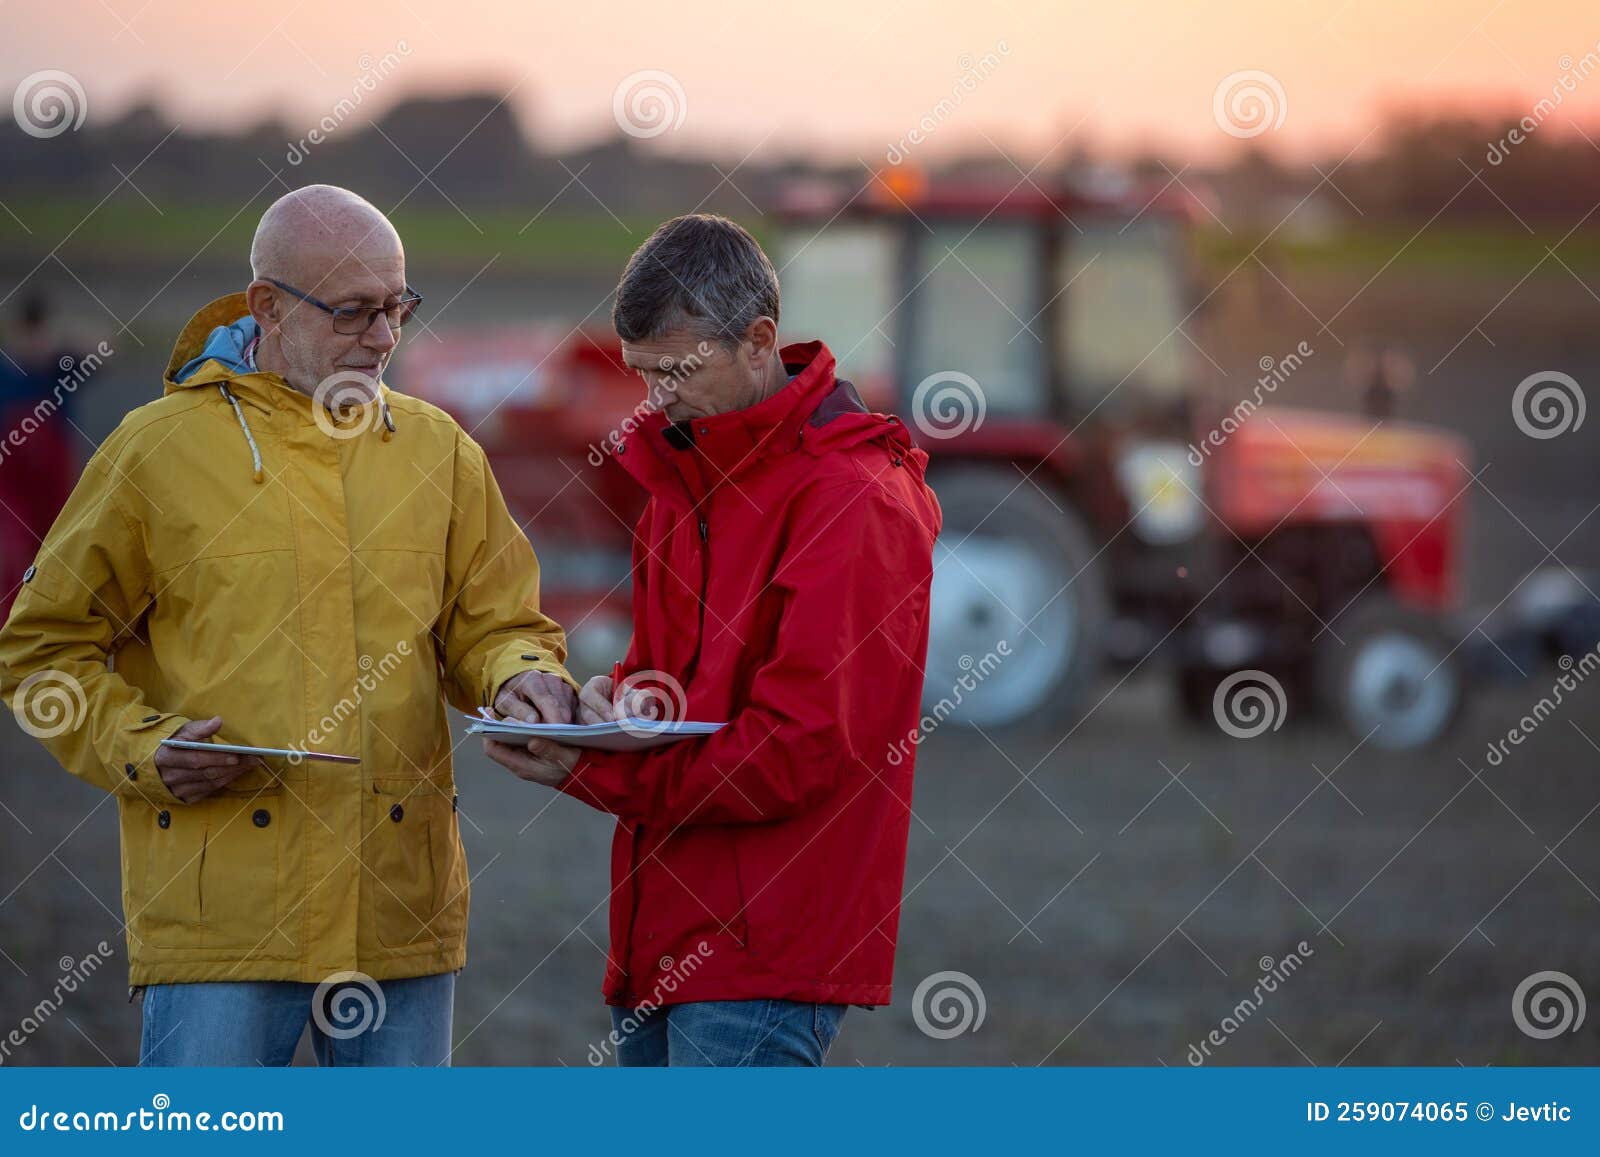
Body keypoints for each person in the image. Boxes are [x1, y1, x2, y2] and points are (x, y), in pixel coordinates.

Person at [0, 185, 577, 1067]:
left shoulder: (441, 451)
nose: (384, 337)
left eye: (398, 307)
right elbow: (42, 650)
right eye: (354, 312)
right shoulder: (153, 451)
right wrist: (141, 747)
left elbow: (495, 623)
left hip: (401, 916)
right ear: (267, 305)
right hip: (222, 921)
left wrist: (521, 673)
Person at [484, 214, 942, 1066]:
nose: (656, 399)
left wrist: (596, 765)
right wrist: (599, 706)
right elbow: (668, 689)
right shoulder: (677, 483)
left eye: (677, 372)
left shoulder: (853, 499)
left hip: (769, 945)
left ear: (760, 341)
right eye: (643, 374)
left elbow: (798, 748)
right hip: (662, 930)